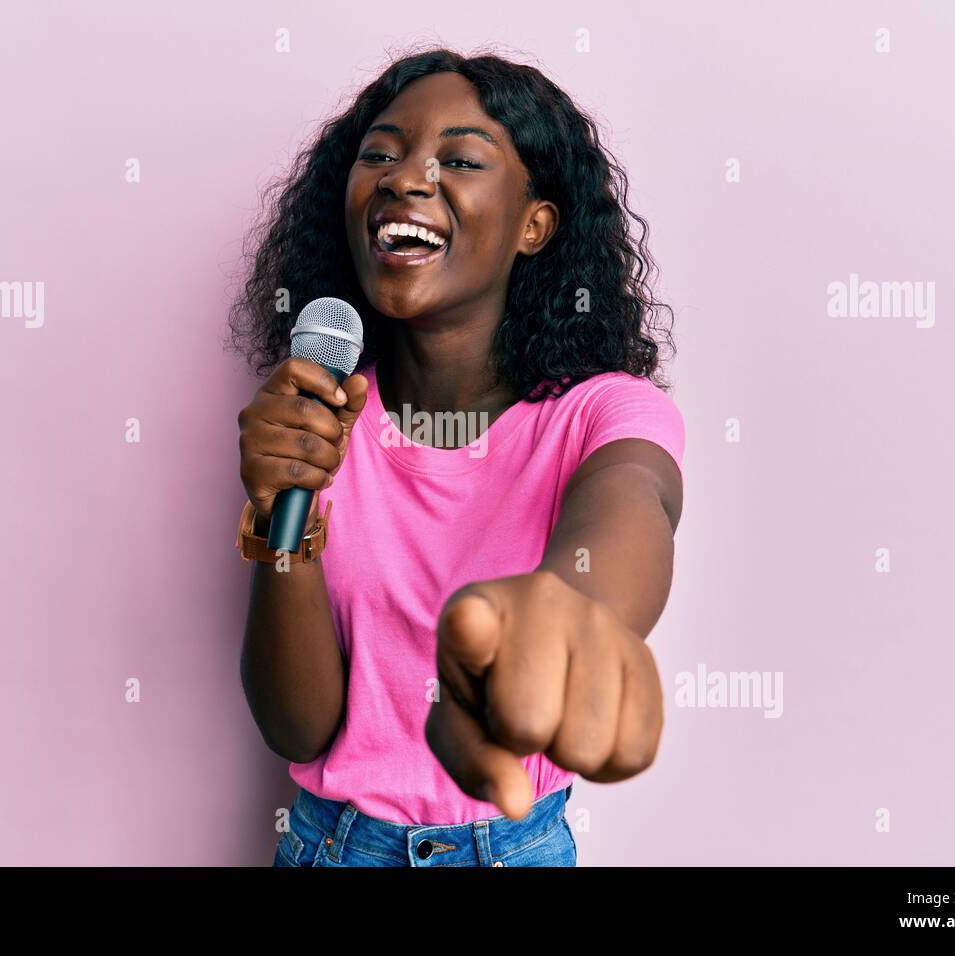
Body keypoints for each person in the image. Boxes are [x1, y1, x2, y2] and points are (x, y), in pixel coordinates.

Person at [229, 48, 685, 867]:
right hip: (330, 847)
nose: (406, 178)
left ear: (534, 226)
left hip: (514, 847)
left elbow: (631, 495)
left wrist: (567, 613)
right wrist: (277, 519)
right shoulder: (319, 418)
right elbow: (298, 728)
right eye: (380, 153)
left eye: (463, 160)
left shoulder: (601, 413)